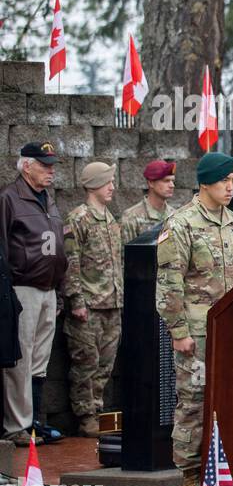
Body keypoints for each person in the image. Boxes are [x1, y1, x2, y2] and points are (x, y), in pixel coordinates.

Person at [156, 151, 233, 486]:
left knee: (232, 398)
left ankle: (227, 467)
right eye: (224, 181)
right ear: (205, 183)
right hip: (197, 333)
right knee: (195, 401)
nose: (230, 187)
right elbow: (169, 284)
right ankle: (192, 476)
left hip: (232, 332)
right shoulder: (181, 224)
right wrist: (178, 332)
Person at [0, 142, 67, 444]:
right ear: (27, 166)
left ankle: (33, 422)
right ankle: (17, 427)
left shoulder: (47, 200)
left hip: (48, 289)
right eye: (44, 165)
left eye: (52, 165)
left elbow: (57, 250)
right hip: (22, 287)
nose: (51, 170)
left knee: (39, 361)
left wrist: (60, 293)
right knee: (20, 361)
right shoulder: (9, 199)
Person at [63, 162, 124, 437]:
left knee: (105, 365)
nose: (112, 187)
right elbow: (70, 262)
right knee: (85, 364)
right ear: (93, 185)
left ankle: (97, 412)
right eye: (107, 182)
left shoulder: (111, 219)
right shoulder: (78, 219)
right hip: (88, 307)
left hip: (112, 304)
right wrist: (76, 300)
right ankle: (85, 416)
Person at [120, 159, 178, 243]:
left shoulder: (175, 216)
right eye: (166, 181)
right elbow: (126, 253)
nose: (172, 185)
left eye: (173, 181)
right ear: (151, 183)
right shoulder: (132, 217)